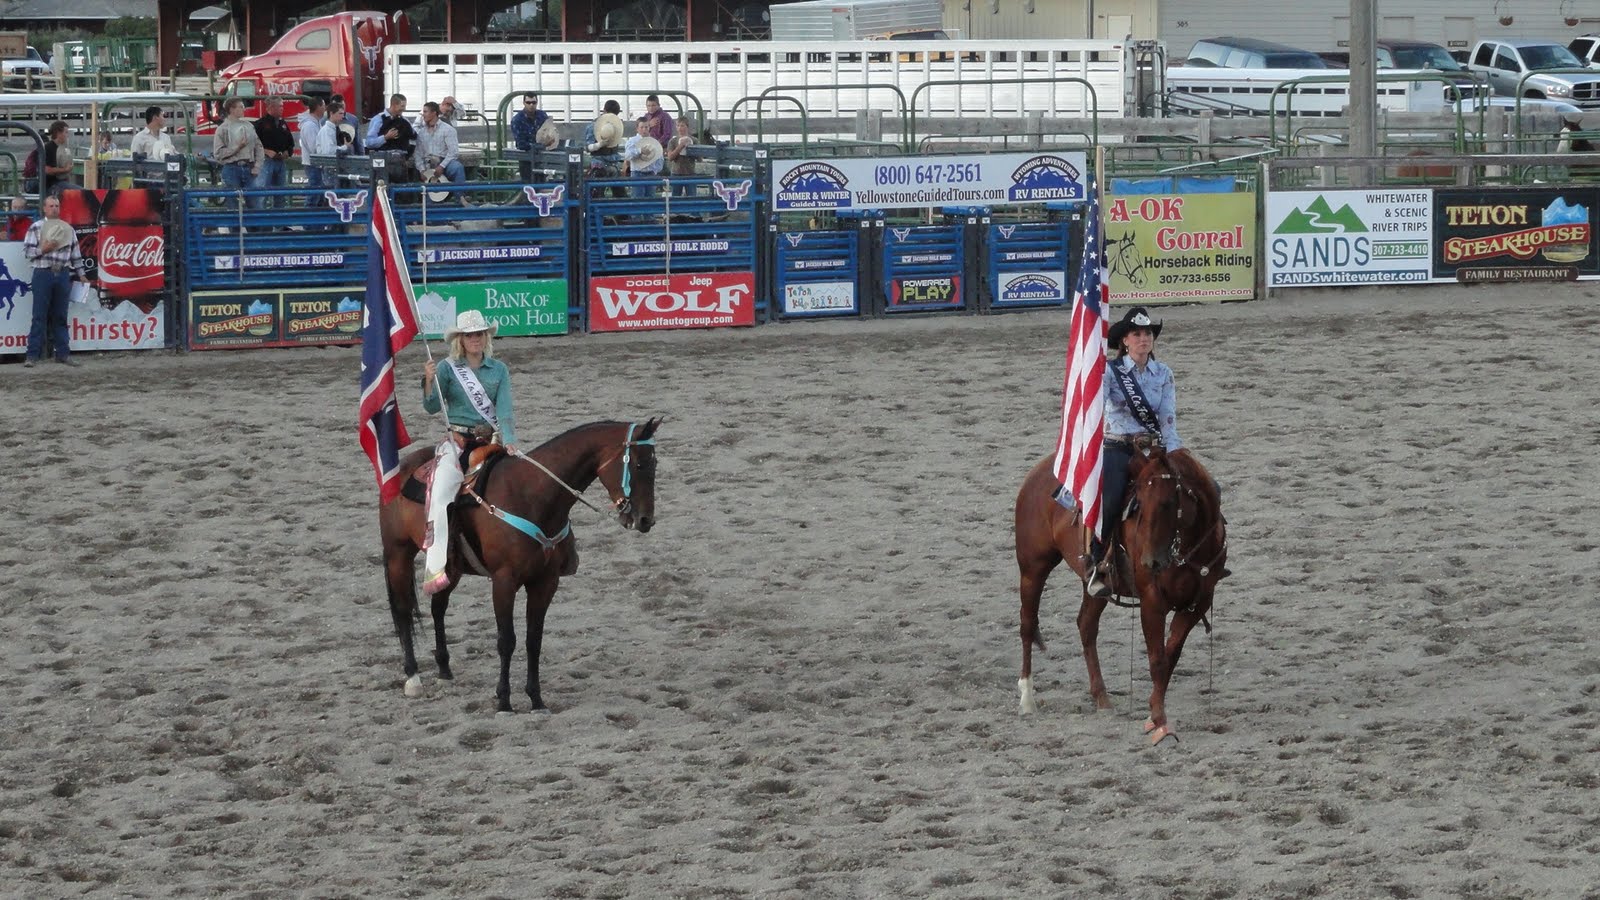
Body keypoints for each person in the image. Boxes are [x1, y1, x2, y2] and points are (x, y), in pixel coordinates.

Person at [1060, 306, 1183, 598]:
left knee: (1193, 490)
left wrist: (1176, 454)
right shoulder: (1110, 372)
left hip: (1153, 448)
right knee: (1111, 498)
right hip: (1118, 447)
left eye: (1148, 333)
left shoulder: (1164, 373)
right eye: (1137, 334)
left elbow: (1168, 419)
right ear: (1125, 341)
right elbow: (1095, 406)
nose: (1144, 339)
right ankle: (1096, 560)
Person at [419, 310, 518, 594]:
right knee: (440, 491)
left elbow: (505, 410)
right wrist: (428, 380)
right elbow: (432, 407)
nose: (475, 339)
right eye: (469, 335)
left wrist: (509, 440)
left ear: (485, 337)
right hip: (458, 442)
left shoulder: (499, 370)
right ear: (460, 340)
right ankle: (436, 564)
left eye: (479, 334)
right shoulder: (448, 369)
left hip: (491, 441)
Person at [22, 194, 86, 368]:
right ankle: (33, 355)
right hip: (43, 272)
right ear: (44, 208)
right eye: (51, 206)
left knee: (59, 315)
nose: (54, 209)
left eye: (56, 206)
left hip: (62, 273)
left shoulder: (68, 229)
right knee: (39, 316)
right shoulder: (36, 227)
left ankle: (61, 353)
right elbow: (27, 252)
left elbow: (76, 254)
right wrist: (43, 249)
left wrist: (81, 274)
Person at [212, 98, 262, 213]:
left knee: (254, 203)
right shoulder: (222, 129)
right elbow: (218, 154)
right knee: (233, 205)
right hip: (231, 168)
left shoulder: (249, 126)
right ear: (232, 109)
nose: (243, 109)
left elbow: (258, 147)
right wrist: (237, 148)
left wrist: (257, 166)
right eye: (240, 106)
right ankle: (235, 230)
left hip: (249, 167)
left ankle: (255, 230)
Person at [414, 101, 467, 200]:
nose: (423, 115)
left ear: (434, 113)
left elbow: (453, 152)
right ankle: (427, 205)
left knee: (457, 168)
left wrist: (442, 166)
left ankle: (460, 199)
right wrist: (421, 170)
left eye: (425, 112)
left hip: (444, 162)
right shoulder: (421, 132)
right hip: (427, 164)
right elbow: (418, 153)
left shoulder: (448, 130)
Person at [252, 97, 294, 208]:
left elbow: (290, 142)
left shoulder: (283, 124)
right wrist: (265, 151)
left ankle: (279, 224)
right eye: (279, 106)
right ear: (271, 107)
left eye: (282, 106)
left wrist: (287, 152)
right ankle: (260, 223)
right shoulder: (260, 124)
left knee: (280, 194)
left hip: (280, 162)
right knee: (262, 194)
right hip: (266, 161)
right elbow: (252, 144)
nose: (282, 108)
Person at [509, 92, 549, 183]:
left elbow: (549, 134)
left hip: (542, 158)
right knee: (528, 187)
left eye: (534, 102)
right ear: (524, 103)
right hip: (526, 160)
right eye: (528, 102)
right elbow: (521, 144)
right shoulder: (517, 120)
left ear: (537, 103)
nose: (531, 105)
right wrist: (540, 145)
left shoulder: (542, 116)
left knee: (542, 185)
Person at [623, 117, 663, 202]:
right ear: (637, 128)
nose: (644, 129)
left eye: (646, 127)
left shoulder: (654, 141)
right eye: (642, 127)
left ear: (649, 128)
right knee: (637, 199)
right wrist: (639, 151)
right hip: (637, 173)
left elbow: (660, 158)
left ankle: (649, 215)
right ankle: (636, 215)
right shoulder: (632, 141)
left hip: (651, 173)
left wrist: (655, 170)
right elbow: (627, 156)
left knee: (651, 199)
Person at [584, 100, 625, 178]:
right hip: (599, 162)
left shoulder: (616, 124)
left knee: (619, 189)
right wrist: (599, 144)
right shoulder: (593, 126)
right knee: (598, 188)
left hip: (614, 161)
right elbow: (588, 147)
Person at [296, 97, 327, 191]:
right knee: (314, 194)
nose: (325, 109)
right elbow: (314, 148)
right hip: (313, 164)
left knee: (317, 193)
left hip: (315, 164)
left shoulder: (315, 123)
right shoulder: (310, 125)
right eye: (324, 106)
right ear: (318, 107)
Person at [42, 121, 76, 195]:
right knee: (78, 192)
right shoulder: (48, 148)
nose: (67, 135)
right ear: (58, 133)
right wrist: (65, 169)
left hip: (61, 182)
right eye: (66, 132)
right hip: (51, 184)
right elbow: (46, 169)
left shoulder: (63, 148)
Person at [665, 117, 696, 196]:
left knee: (692, 197)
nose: (680, 128)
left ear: (687, 127)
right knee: (675, 196)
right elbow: (670, 157)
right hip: (676, 173)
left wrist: (692, 149)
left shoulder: (694, 140)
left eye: (682, 126)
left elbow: (700, 158)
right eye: (678, 126)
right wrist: (680, 146)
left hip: (690, 173)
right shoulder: (673, 141)